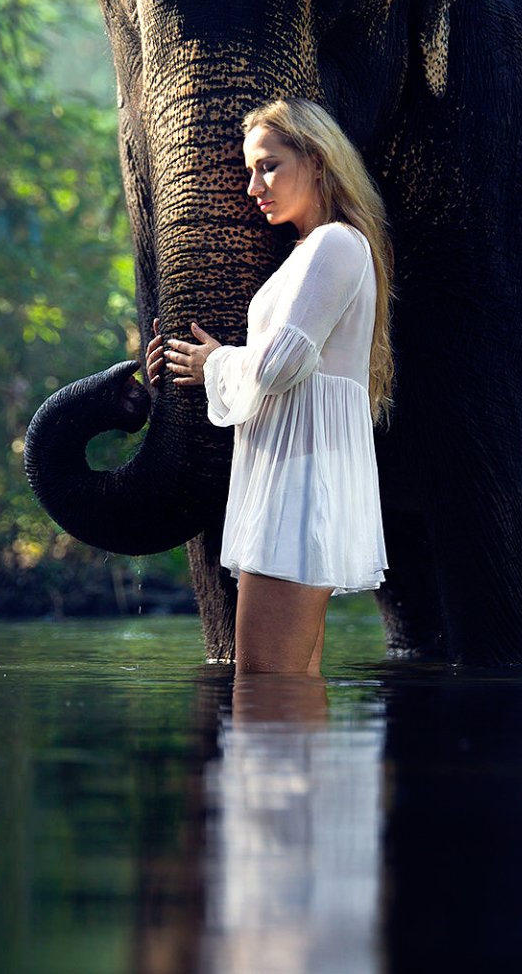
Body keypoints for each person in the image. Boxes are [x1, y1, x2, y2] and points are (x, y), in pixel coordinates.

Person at [147, 98, 393, 675]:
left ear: (317, 161)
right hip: (296, 479)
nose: (254, 185)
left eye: (269, 165)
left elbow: (279, 368)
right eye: (250, 169)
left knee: (262, 684)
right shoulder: (312, 250)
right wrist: (197, 364)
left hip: (299, 486)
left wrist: (212, 362)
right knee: (287, 687)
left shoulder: (335, 244)